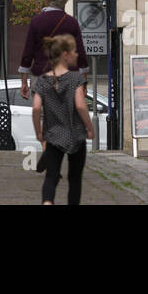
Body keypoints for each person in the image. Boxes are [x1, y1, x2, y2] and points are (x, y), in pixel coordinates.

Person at [31, 34, 95, 205]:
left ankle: (47, 202)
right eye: (74, 51)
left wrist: (38, 131)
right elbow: (80, 105)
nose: (77, 54)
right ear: (65, 55)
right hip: (76, 134)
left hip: (53, 135)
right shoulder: (76, 79)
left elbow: (36, 108)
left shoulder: (43, 81)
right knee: (75, 179)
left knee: (51, 174)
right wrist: (90, 127)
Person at [19, 0, 89, 102]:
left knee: (43, 118)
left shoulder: (37, 22)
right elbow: (81, 56)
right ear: (65, 1)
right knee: (67, 118)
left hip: (42, 78)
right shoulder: (71, 22)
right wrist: (83, 83)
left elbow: (27, 54)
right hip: (68, 81)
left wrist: (24, 82)